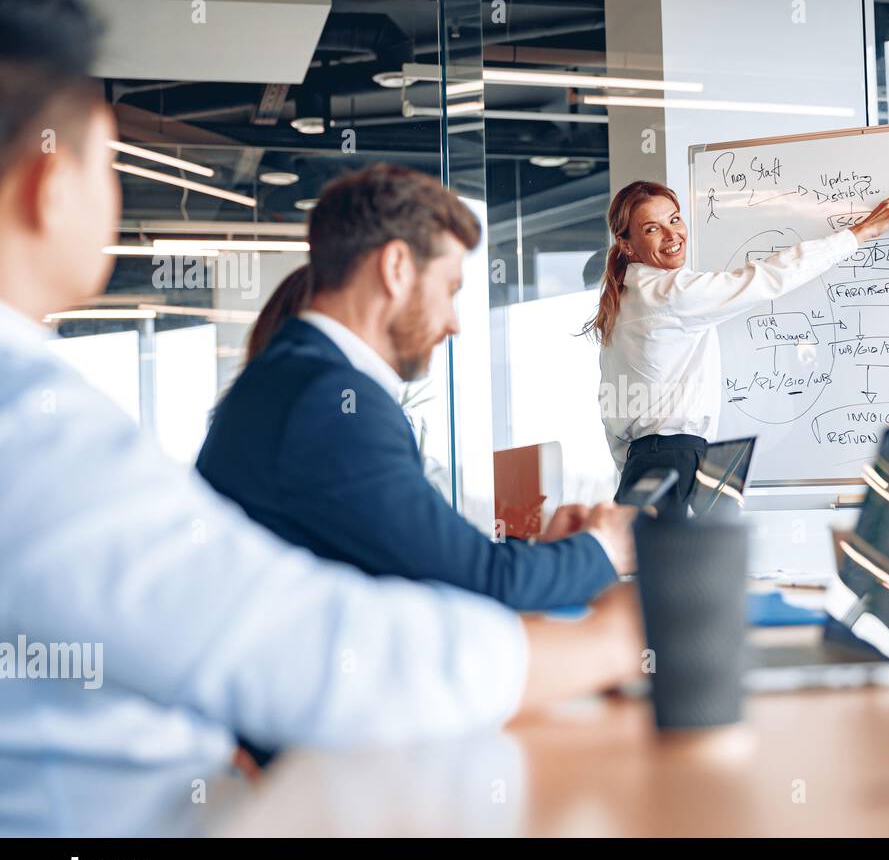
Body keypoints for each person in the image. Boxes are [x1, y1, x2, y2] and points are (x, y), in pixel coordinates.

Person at [0, 0, 642, 834]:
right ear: (51, 181)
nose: (456, 320)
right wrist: (607, 634)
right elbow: (323, 651)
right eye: (108, 163)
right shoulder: (38, 425)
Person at [198, 164, 634, 611]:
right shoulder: (328, 400)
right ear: (397, 267)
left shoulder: (288, 377)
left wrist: (545, 556)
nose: (453, 323)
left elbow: (421, 563)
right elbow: (477, 583)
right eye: (449, 289)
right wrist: (606, 547)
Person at [586, 181, 889, 516]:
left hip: (647, 466)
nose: (672, 236)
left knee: (651, 567)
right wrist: (860, 233)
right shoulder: (670, 293)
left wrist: (639, 466)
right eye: (652, 228)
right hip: (674, 462)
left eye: (675, 219)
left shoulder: (624, 301)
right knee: (680, 567)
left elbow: (614, 404)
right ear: (627, 245)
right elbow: (767, 278)